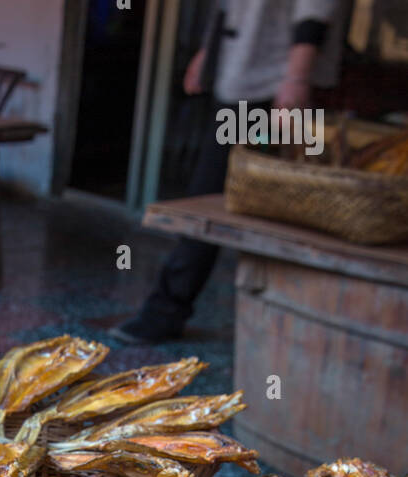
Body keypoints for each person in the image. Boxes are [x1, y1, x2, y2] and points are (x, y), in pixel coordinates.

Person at [118, 0, 348, 345]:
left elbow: (315, 7)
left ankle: (167, 312)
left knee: (220, 199)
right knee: (218, 198)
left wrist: (297, 77)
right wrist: (208, 54)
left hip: (273, 89)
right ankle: (173, 311)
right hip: (246, 79)